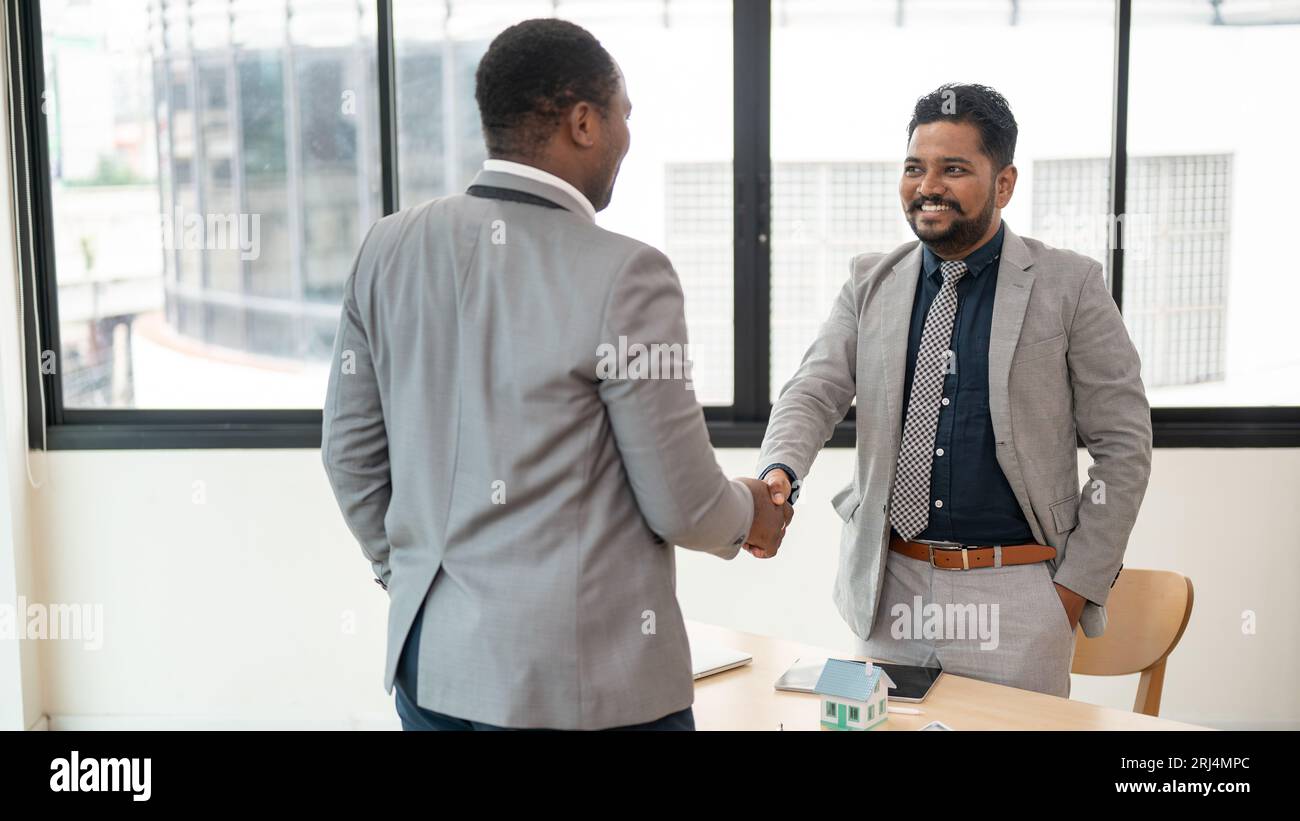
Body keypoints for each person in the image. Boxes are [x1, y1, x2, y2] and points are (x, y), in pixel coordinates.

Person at [321, 18, 791, 731]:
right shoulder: (627, 273)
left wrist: (413, 576)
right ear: (582, 122)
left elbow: (349, 455)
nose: (628, 138)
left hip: (430, 671)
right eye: (622, 115)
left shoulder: (387, 247)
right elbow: (681, 501)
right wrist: (754, 511)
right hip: (580, 691)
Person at [754, 83, 1152, 698]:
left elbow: (1123, 446)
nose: (927, 186)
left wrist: (1071, 590)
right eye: (915, 167)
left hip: (1019, 592)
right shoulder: (871, 281)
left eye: (954, 169)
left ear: (1004, 183)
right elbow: (814, 390)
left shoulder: (1070, 285)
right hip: (892, 588)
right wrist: (780, 471)